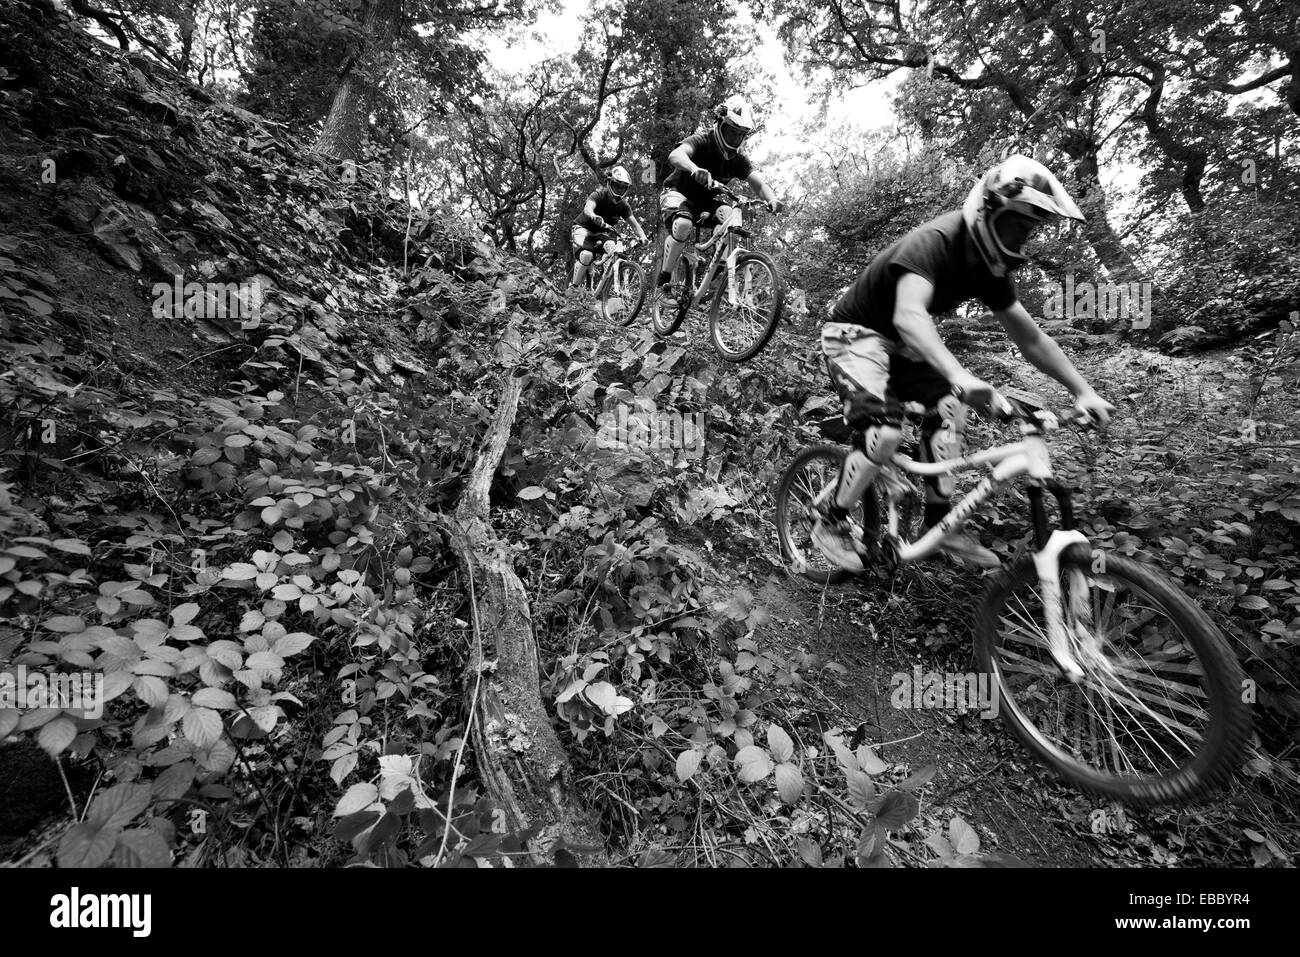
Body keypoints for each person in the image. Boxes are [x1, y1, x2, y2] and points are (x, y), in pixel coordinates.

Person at [811, 153, 1117, 572]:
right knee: (884, 432)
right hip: (854, 336)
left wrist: (1083, 389)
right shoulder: (937, 241)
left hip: (900, 349)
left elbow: (1030, 337)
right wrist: (958, 374)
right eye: (1016, 225)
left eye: (1027, 231)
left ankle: (938, 530)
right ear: (989, 208)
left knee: (951, 410)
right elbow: (909, 314)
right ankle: (831, 520)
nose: (1021, 239)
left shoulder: (987, 270)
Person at [650, 95, 782, 312]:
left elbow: (759, 184)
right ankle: (663, 283)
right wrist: (693, 169)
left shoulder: (739, 159)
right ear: (720, 125)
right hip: (676, 193)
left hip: (703, 202)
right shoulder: (702, 140)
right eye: (731, 132)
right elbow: (676, 155)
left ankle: (716, 274)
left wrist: (772, 199)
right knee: (683, 225)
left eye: (740, 135)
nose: (734, 139)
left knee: (729, 214)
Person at [570, 165, 647, 292]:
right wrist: (593, 216)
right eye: (617, 186)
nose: (619, 190)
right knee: (587, 255)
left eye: (623, 188)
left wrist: (642, 237)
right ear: (609, 183)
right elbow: (588, 208)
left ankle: (607, 286)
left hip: (601, 232)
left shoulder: (623, 205)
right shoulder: (599, 195)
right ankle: (574, 288)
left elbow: (635, 225)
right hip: (582, 228)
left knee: (613, 248)